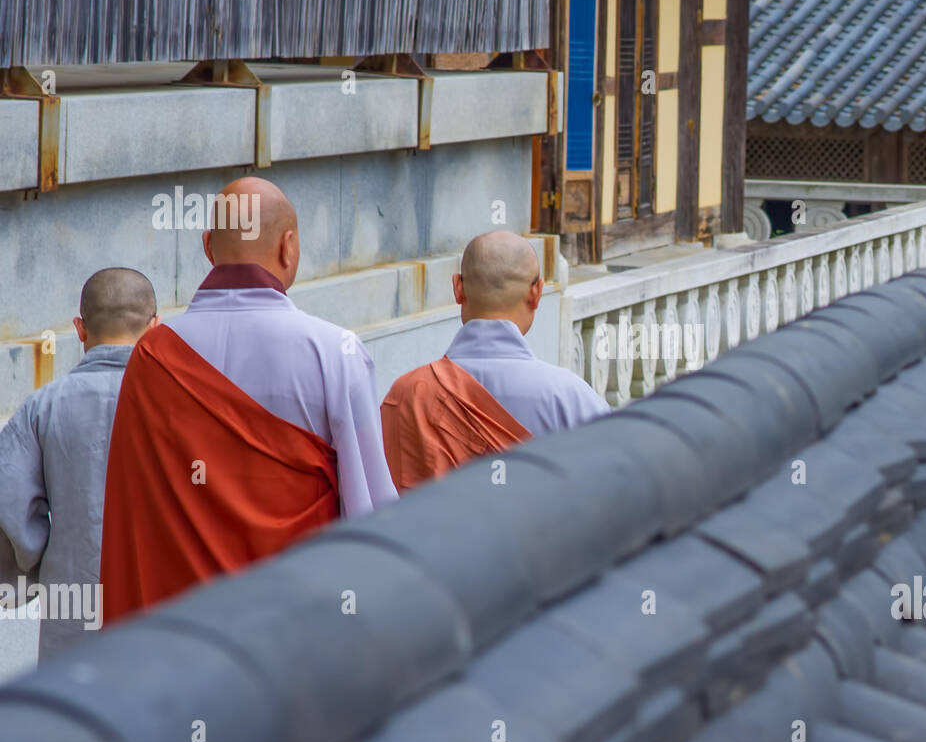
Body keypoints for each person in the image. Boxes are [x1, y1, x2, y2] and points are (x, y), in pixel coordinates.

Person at [99, 178, 396, 623]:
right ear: (288, 247)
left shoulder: (152, 355)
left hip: (180, 636)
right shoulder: (335, 352)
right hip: (297, 631)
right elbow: (370, 516)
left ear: (207, 246)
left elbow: (130, 520)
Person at [0, 269, 158, 661]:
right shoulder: (186, 403)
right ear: (156, 328)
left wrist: (26, 580)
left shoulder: (42, 407)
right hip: (165, 612)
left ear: (79, 329)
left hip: (72, 613)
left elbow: (11, 512)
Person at [382, 230, 610, 489]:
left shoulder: (406, 396)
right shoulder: (569, 398)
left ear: (458, 288)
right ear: (536, 293)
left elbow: (376, 501)